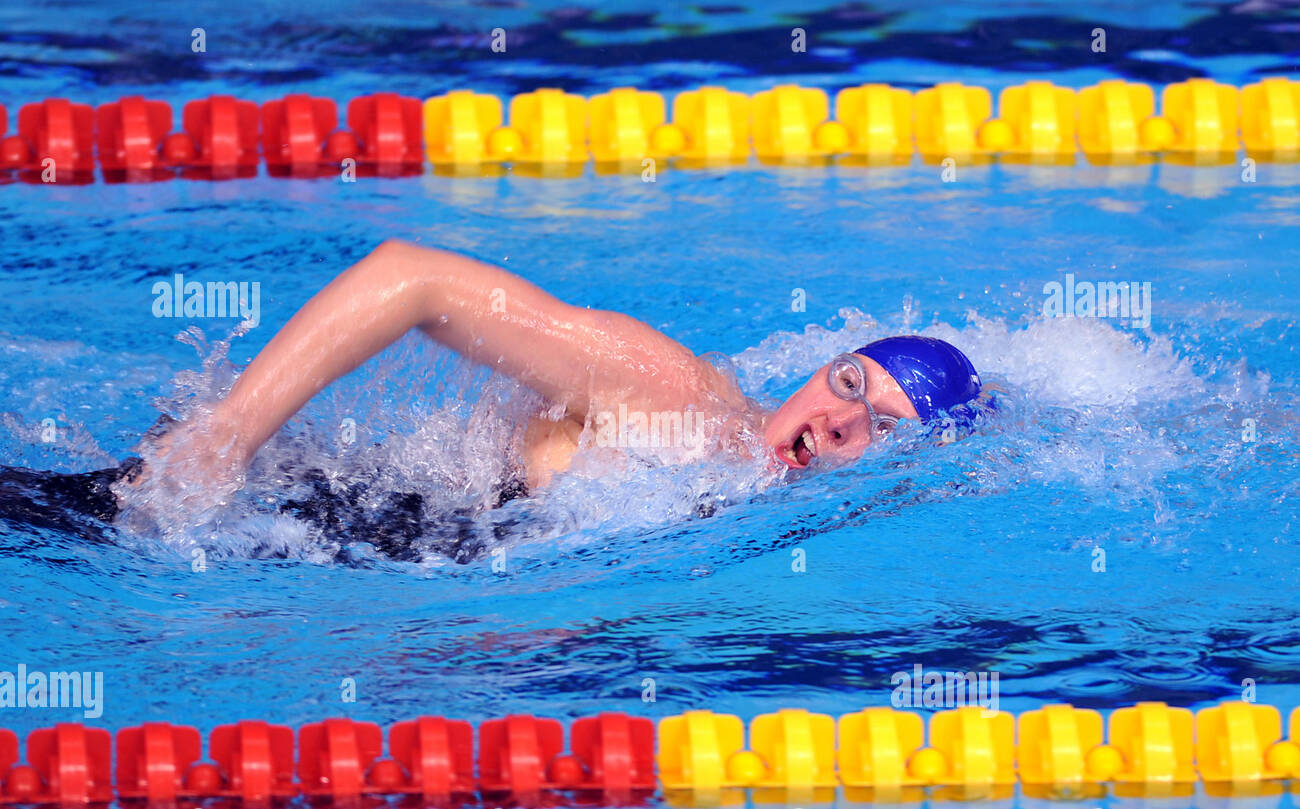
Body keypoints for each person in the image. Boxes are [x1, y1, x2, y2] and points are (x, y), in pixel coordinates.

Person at [2, 241, 985, 557]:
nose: (837, 419)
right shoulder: (680, 398)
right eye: (848, 384)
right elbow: (413, 278)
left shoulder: (773, 507)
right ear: (823, 366)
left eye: (879, 429)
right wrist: (225, 435)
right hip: (312, 519)